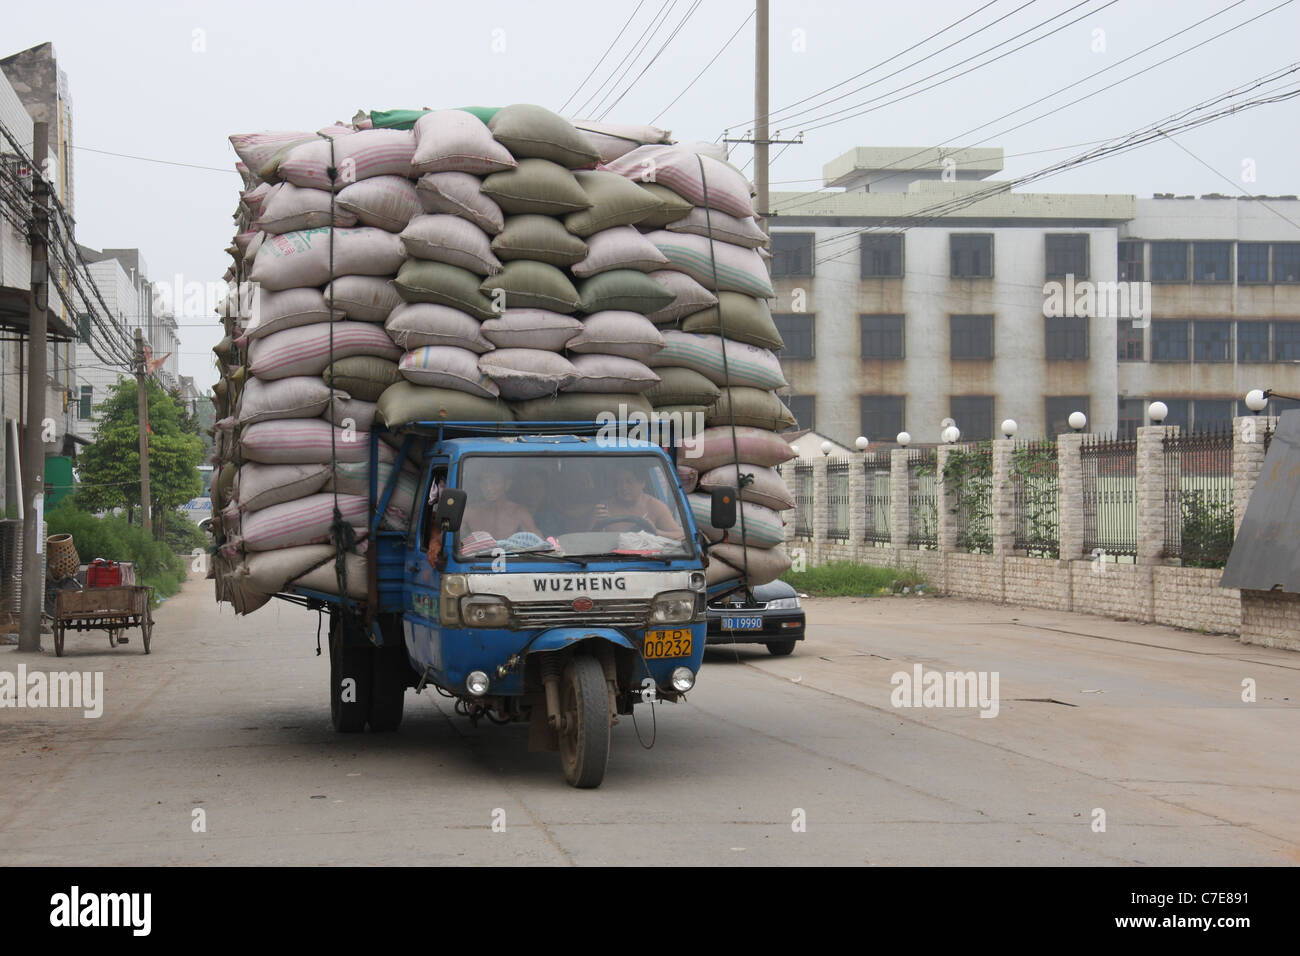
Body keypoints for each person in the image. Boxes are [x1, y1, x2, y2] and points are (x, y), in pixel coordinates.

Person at [594, 465, 683, 538]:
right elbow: (585, 539)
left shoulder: (655, 506)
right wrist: (595, 521)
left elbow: (680, 535)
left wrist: (655, 531)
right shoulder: (604, 508)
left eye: (629, 482)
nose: (623, 487)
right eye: (619, 482)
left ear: (642, 483)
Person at [460, 469, 540, 542]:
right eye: (484, 483)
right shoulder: (470, 512)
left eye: (494, 482)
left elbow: (540, 543)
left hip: (510, 557)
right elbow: (456, 541)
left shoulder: (518, 512)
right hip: (471, 558)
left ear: (507, 484)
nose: (488, 488)